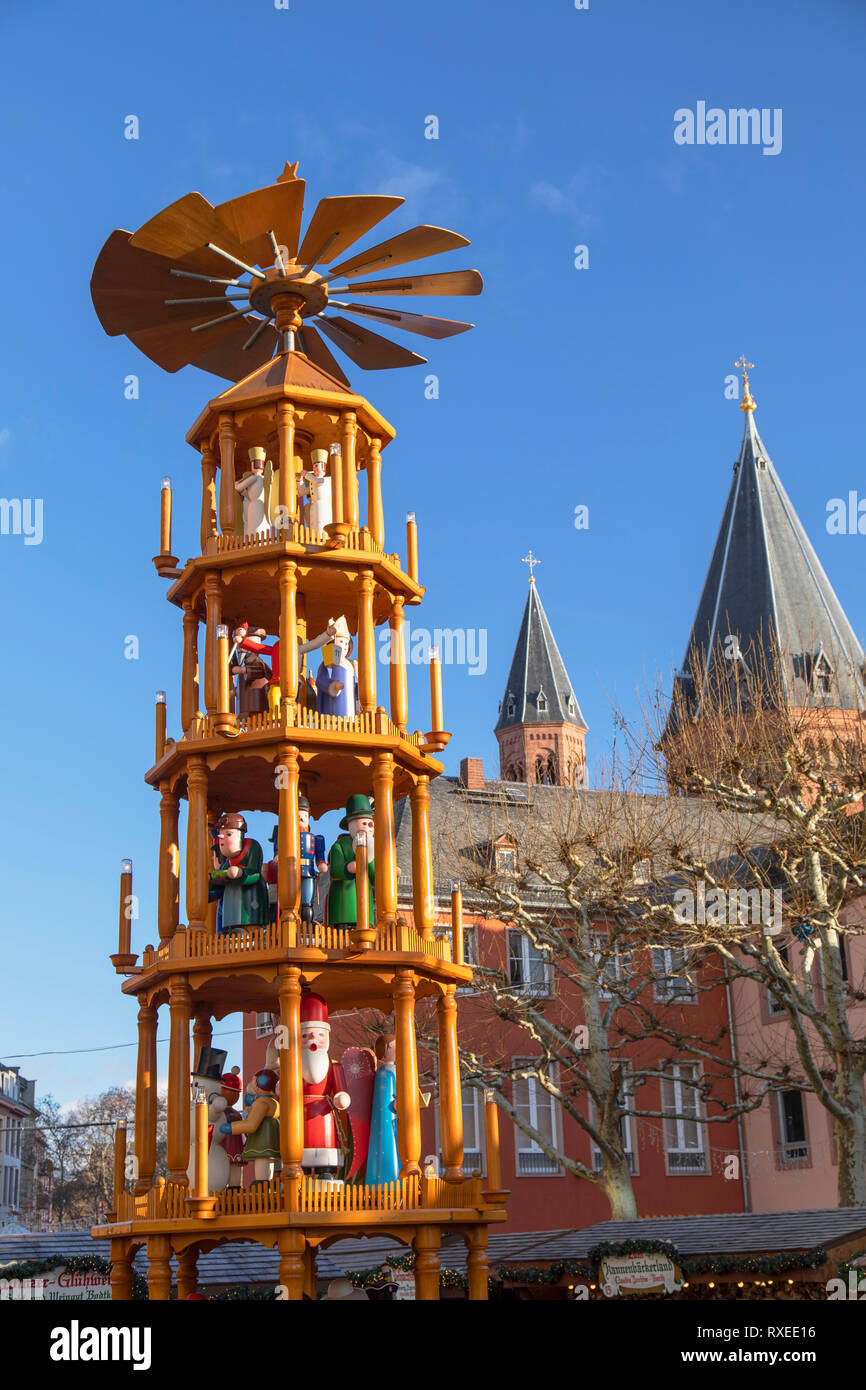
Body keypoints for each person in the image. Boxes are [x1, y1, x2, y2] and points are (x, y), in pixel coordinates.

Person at [299, 993, 350, 1178]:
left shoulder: (333, 1066)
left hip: (325, 1114)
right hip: (300, 1114)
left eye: (320, 1034)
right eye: (305, 1035)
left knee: (325, 1153)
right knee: (299, 1149)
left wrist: (341, 1097)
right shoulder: (295, 1067)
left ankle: (325, 1172)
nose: (313, 1038)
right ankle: (301, 1173)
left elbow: (341, 1089)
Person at [239, 621, 336, 716]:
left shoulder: (296, 648)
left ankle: (290, 717)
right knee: (273, 695)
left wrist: (327, 634)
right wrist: (242, 641)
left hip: (292, 683)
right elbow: (258, 647)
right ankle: (275, 716)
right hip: (277, 681)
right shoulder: (276, 647)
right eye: (282, 629)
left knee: (290, 703)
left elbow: (314, 644)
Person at [208, 813, 269, 933]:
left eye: (229, 834)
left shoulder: (252, 848)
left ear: (240, 835)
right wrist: (211, 880)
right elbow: (220, 879)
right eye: (221, 837)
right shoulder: (228, 862)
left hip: (250, 908)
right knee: (231, 933)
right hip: (230, 915)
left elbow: (254, 874)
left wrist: (241, 872)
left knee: (249, 932)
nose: (223, 840)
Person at [220, 1069, 279, 1183]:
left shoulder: (262, 1103)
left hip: (262, 1139)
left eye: (254, 1082)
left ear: (261, 1082)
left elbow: (251, 1124)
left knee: (262, 1160)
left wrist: (230, 1128)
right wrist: (249, 1107)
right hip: (271, 1138)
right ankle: (267, 1182)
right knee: (268, 1160)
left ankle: (261, 1182)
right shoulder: (273, 1102)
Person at [326, 795, 375, 929]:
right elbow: (335, 871)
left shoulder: (372, 849)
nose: (369, 828)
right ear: (351, 825)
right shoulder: (339, 846)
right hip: (343, 901)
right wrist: (348, 868)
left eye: (371, 824)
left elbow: (375, 875)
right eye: (364, 824)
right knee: (342, 930)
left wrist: (389, 871)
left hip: (365, 906)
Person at [365, 1035, 399, 1186]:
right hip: (389, 1120)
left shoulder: (387, 1071)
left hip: (392, 1120)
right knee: (389, 1146)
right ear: (387, 1050)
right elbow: (387, 1098)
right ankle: (390, 1181)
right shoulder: (386, 1073)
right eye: (394, 1046)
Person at [315, 616, 358, 718]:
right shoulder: (329, 662)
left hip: (349, 710)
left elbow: (355, 684)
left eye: (346, 643)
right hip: (332, 709)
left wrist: (358, 688)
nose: (344, 646)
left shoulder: (349, 665)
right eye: (341, 642)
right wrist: (333, 685)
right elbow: (320, 680)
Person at [230, 622, 270, 716]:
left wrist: (243, 670)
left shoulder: (256, 662)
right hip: (246, 705)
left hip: (257, 703)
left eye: (242, 647)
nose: (239, 650)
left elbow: (260, 672)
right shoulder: (246, 663)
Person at [299, 796, 327, 924]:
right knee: (289, 899)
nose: (301, 818)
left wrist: (321, 863)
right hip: (291, 870)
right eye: (298, 814)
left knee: (307, 900)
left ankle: (306, 924)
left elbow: (319, 855)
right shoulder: (285, 836)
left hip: (307, 870)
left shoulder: (315, 838)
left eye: (304, 815)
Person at [234, 446, 271, 537]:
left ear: (254, 464)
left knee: (254, 529)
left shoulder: (255, 478)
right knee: (256, 528)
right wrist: (243, 492)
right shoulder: (264, 479)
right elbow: (251, 495)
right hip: (259, 506)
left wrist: (236, 485)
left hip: (255, 507)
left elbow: (239, 487)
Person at [298, 448, 332, 535]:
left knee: (321, 528)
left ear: (323, 467)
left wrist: (306, 475)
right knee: (314, 529)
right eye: (314, 466)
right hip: (314, 508)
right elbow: (301, 492)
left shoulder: (326, 479)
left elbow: (317, 481)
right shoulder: (313, 483)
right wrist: (300, 481)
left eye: (317, 466)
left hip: (323, 508)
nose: (314, 468)